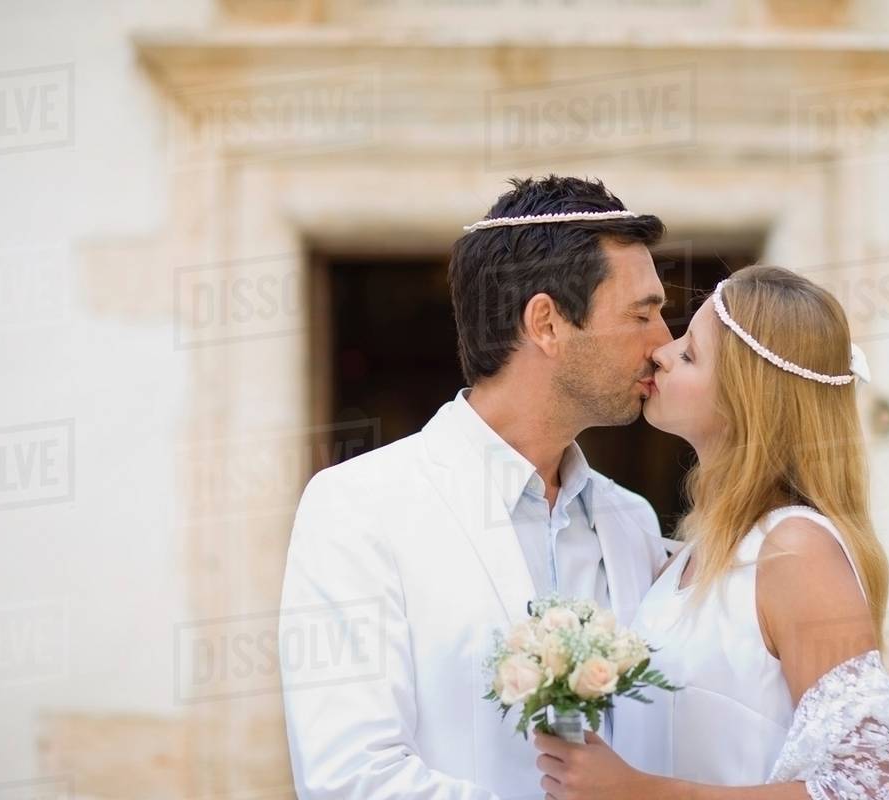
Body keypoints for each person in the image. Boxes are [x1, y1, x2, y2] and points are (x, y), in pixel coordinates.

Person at [278, 175, 678, 799]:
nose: (663, 345)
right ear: (546, 323)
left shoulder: (633, 521)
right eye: (642, 315)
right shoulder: (358, 507)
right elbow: (350, 780)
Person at [533, 265, 889, 799]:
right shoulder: (688, 555)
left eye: (690, 353)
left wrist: (641, 793)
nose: (662, 353)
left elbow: (873, 783)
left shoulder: (795, 550)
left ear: (748, 400)